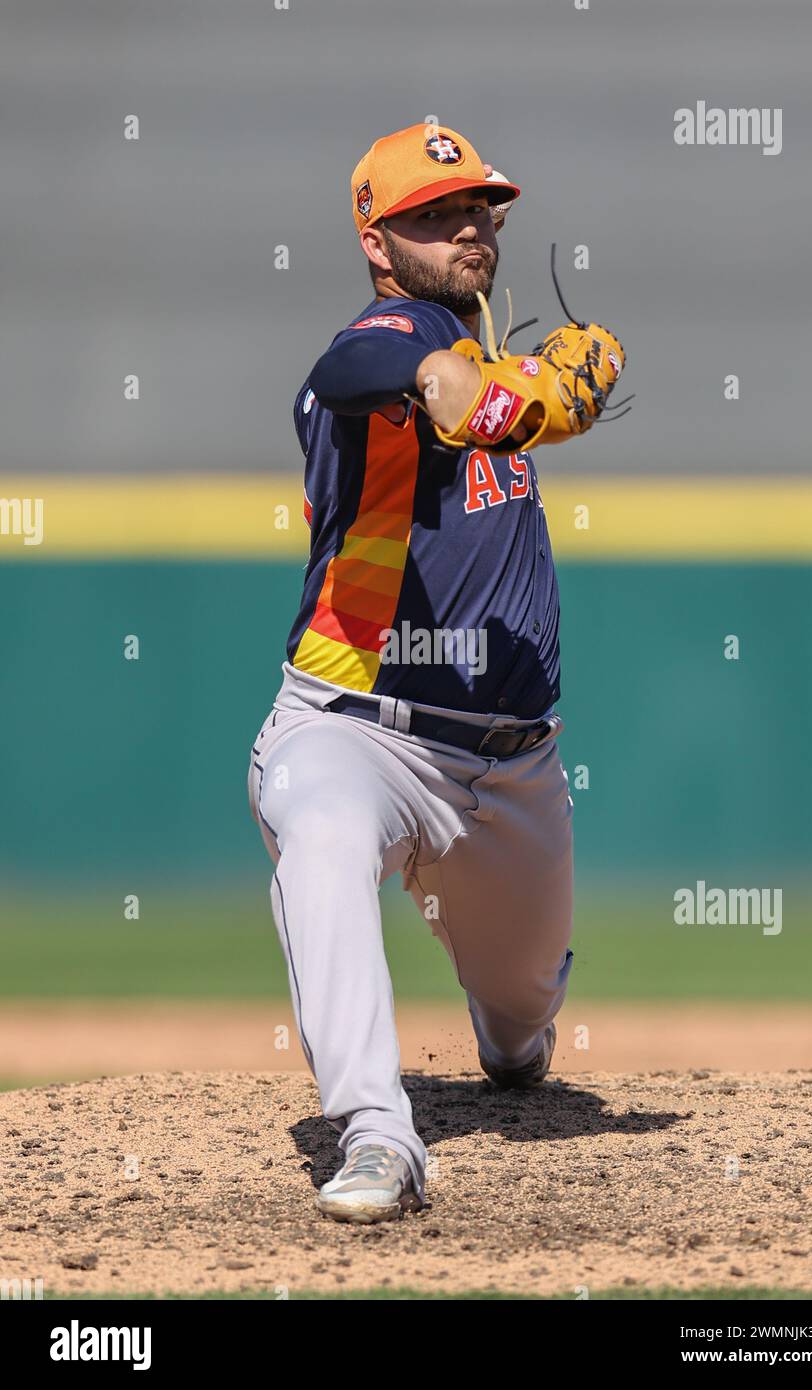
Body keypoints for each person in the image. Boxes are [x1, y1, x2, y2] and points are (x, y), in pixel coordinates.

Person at [248, 121, 623, 1225]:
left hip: (509, 768)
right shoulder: (384, 346)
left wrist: (506, 379)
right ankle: (375, 1133)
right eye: (428, 213)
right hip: (352, 729)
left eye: (475, 207)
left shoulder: (495, 366)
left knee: (518, 1030)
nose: (465, 224)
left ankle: (507, 1029)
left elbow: (487, 390)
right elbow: (349, 364)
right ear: (375, 239)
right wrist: (430, 366)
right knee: (319, 834)